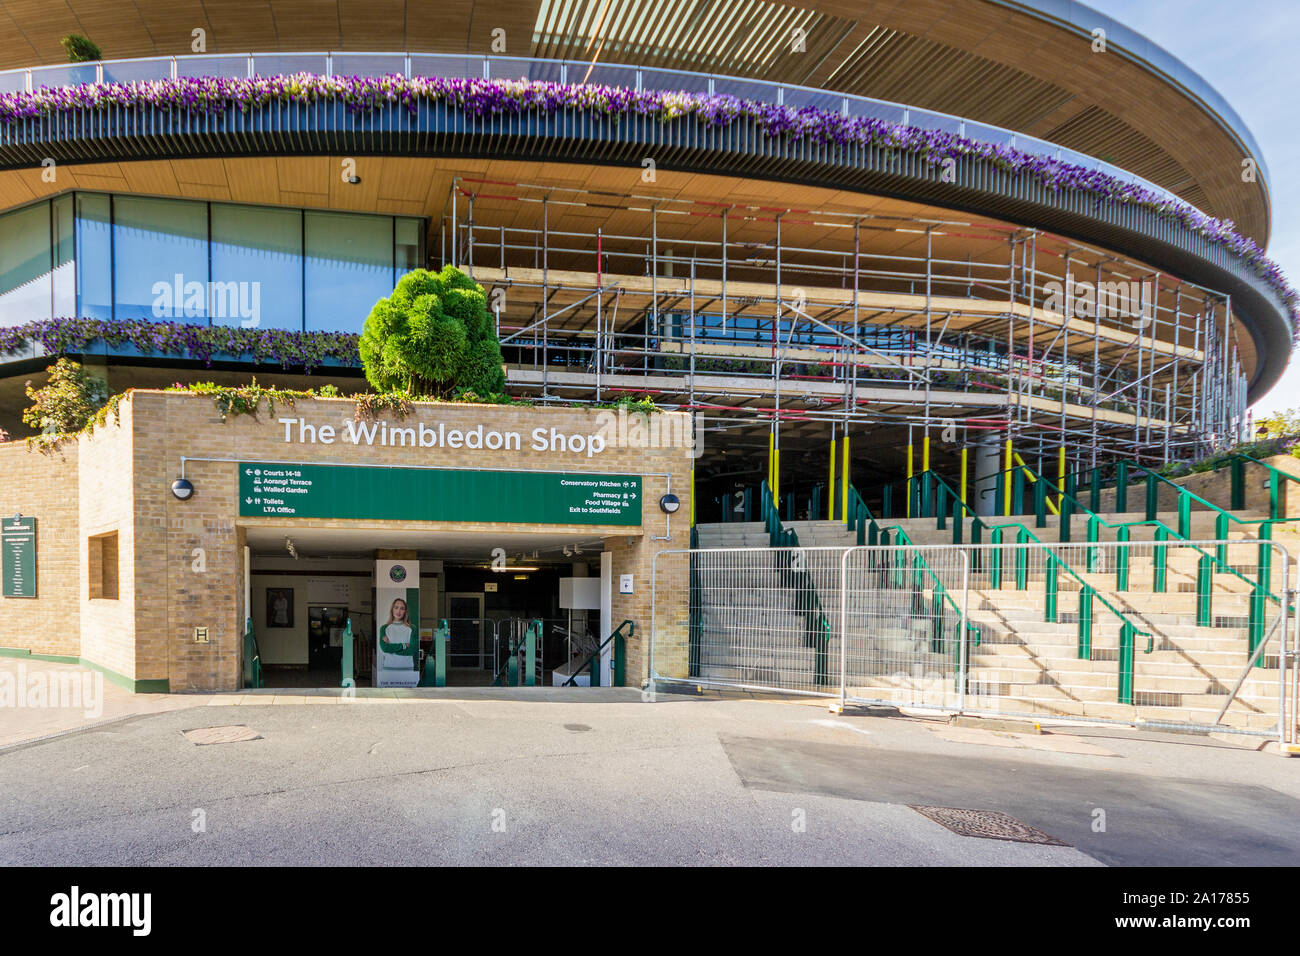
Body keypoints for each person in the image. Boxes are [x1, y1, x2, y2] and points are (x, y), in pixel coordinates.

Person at [378, 597, 416, 672]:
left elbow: (412, 650)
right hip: (388, 669)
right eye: (396, 607)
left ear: (405, 611)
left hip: (407, 669)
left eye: (402, 608)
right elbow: (385, 648)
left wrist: (391, 649)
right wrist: (404, 645)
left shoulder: (412, 628)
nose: (399, 611)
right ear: (392, 609)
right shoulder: (384, 628)